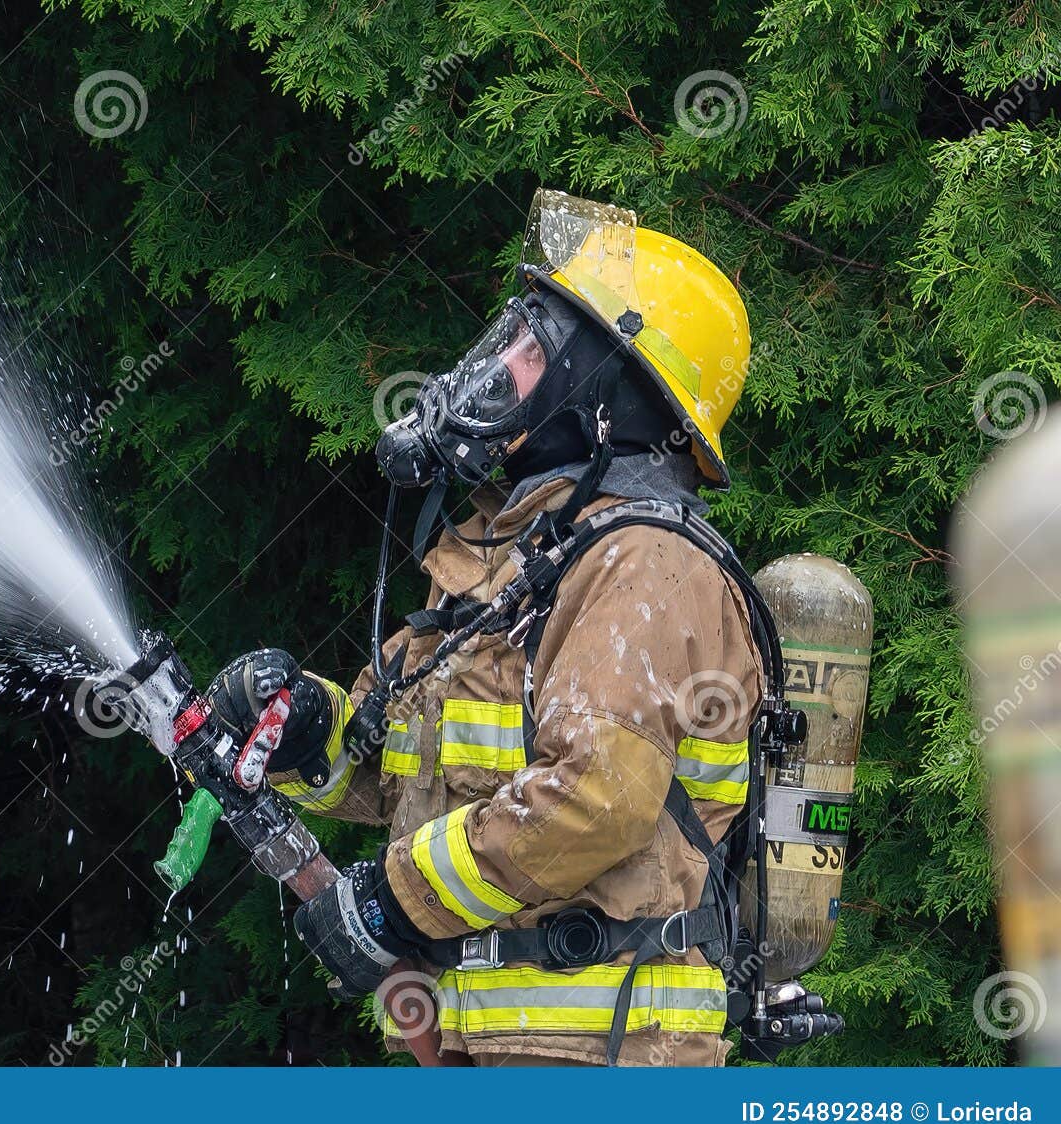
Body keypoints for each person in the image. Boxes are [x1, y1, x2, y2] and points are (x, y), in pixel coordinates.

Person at [208, 191, 760, 1066]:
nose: (498, 371)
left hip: (608, 1058)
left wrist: (394, 903)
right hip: (486, 1051)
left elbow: (595, 799)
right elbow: (399, 767)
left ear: (610, 394)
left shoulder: (647, 565)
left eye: (534, 351)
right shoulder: (506, 563)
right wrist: (304, 729)